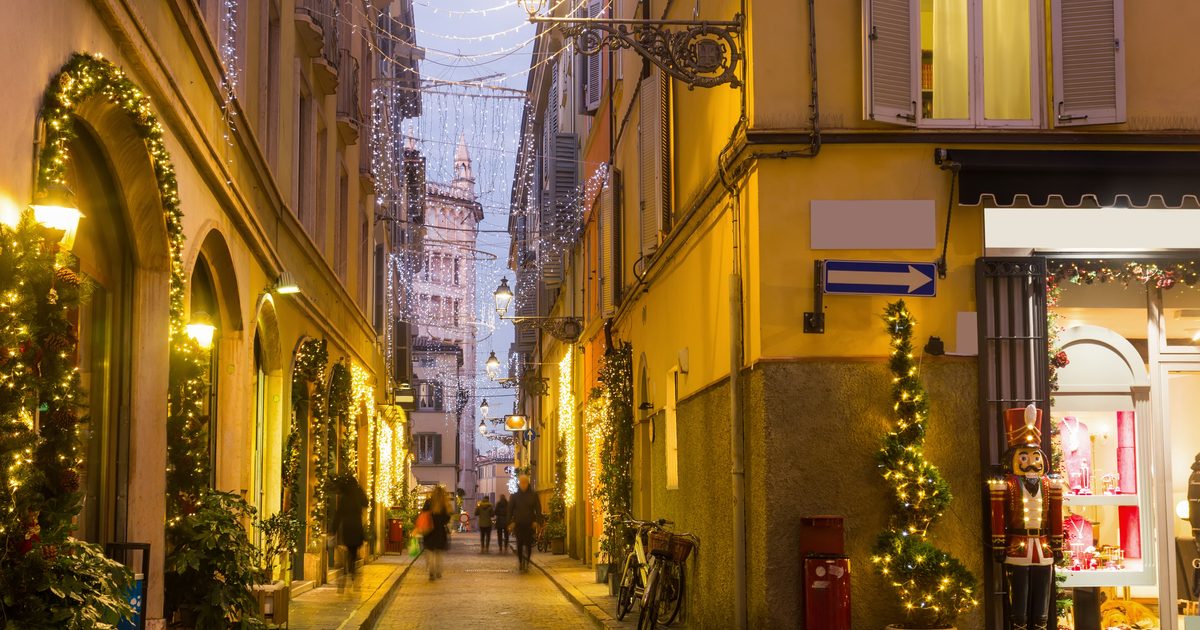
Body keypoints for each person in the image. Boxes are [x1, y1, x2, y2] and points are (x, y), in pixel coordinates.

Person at [334, 475, 368, 591]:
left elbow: (338, 514)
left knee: (347, 550)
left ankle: (345, 574)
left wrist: (333, 529)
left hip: (347, 528)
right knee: (353, 552)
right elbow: (366, 503)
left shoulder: (344, 497)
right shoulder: (358, 494)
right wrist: (360, 489)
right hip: (357, 528)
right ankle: (352, 573)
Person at [509, 474, 541, 572]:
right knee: (519, 544)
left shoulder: (533, 495)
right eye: (521, 483)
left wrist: (537, 521)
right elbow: (510, 510)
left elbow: (538, 509)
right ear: (519, 484)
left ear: (528, 483)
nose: (523, 485)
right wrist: (510, 522)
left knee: (528, 544)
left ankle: (527, 562)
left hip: (529, 524)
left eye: (525, 483)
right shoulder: (514, 496)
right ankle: (520, 562)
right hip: (518, 524)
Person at [422, 486, 452, 580]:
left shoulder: (428, 502)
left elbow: (423, 514)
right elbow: (447, 518)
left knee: (430, 551)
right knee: (438, 552)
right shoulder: (444, 504)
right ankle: (438, 571)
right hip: (439, 531)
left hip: (429, 530)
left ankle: (431, 570)